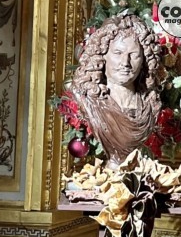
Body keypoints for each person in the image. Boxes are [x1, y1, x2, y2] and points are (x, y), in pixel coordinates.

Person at [69, 13, 163, 164]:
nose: (125, 62)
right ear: (102, 54)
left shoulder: (150, 105)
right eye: (118, 53)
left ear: (145, 59)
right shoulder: (88, 100)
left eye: (134, 55)